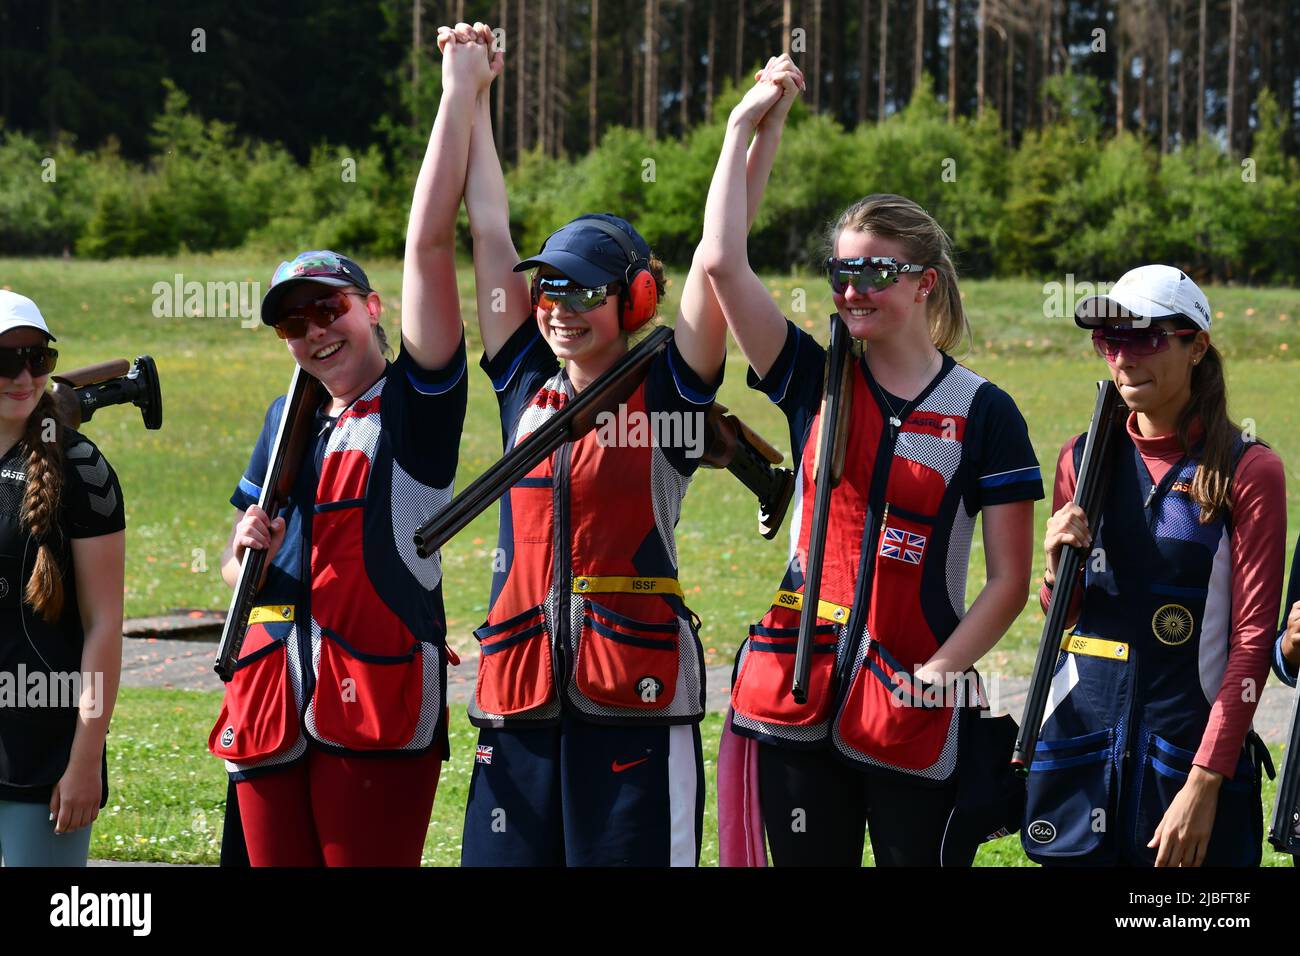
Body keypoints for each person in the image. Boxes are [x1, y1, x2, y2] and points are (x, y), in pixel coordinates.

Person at [438, 23, 792, 866]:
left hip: (634, 698)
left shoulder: (669, 385)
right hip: (518, 699)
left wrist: (746, 133)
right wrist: (474, 96)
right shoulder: (525, 379)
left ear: (634, 298)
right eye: (548, 287)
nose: (558, 306)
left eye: (584, 291)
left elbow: (719, 261)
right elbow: (488, 228)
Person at [702, 78, 1043, 867]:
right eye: (841, 273)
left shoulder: (985, 411)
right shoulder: (811, 379)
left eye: (875, 273)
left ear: (925, 282)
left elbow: (1009, 582)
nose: (852, 291)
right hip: (800, 686)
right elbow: (721, 263)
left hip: (913, 699)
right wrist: (745, 128)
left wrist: (937, 676)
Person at [209, 39, 473, 865]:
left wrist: (459, 94)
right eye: (295, 322)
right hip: (269, 697)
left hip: (375, 704)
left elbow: (430, 244)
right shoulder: (288, 416)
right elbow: (240, 564)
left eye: (330, 310)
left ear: (371, 306)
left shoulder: (416, 406)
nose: (316, 332)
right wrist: (240, 554)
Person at [1028, 264, 1284, 867]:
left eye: (1146, 338)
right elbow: (1068, 620)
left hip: (1184, 762)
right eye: (1110, 341)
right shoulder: (1081, 457)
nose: (1123, 358)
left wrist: (1205, 781)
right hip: (1083, 754)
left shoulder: (1249, 472)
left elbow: (1250, 643)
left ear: (1196, 347)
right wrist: (1052, 570)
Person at [0, 290, 125, 866]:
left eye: (37, 358)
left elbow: (103, 626)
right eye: (5, 361)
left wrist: (83, 762)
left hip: (44, 755)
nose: (23, 376)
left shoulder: (81, 468)